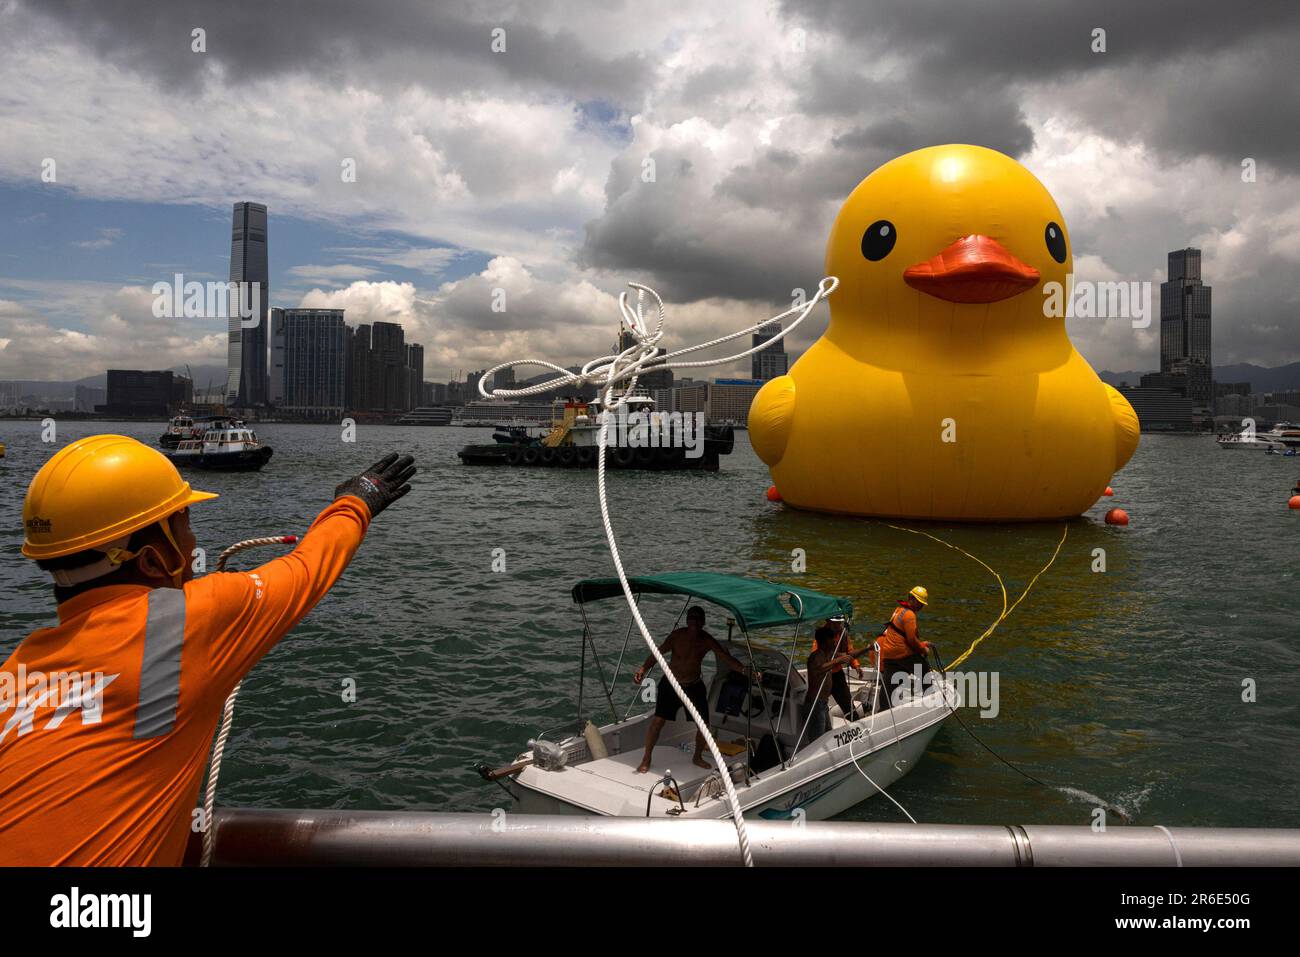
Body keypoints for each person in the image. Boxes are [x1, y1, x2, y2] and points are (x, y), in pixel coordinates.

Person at [0, 436, 415, 865]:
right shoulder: (191, 620)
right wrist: (357, 501)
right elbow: (307, 568)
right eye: (183, 522)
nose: (193, 539)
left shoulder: (16, 669)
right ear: (151, 560)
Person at [631, 605, 753, 773]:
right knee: (658, 722)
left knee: (704, 725)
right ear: (687, 620)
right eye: (691, 617)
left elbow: (726, 657)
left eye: (697, 618)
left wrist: (745, 671)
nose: (694, 621)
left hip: (693, 685)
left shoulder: (707, 640)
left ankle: (697, 756)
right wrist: (643, 669)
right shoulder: (676, 636)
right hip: (671, 684)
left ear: (703, 622)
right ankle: (647, 758)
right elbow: (657, 653)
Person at [872, 585, 932, 709]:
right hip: (902, 654)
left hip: (889, 654)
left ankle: (883, 711)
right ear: (911, 598)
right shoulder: (910, 615)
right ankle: (930, 703)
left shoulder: (898, 610)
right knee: (924, 671)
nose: (920, 606)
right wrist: (923, 648)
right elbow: (911, 640)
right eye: (919, 603)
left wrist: (921, 643)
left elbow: (902, 634)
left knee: (889, 686)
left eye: (922, 604)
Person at [803, 624, 855, 745]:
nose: (835, 642)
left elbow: (848, 656)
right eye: (832, 639)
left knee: (828, 734)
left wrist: (868, 648)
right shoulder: (815, 657)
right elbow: (819, 668)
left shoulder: (828, 655)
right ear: (825, 641)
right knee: (817, 741)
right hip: (815, 704)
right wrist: (838, 661)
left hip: (823, 703)